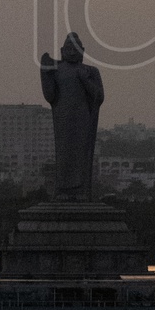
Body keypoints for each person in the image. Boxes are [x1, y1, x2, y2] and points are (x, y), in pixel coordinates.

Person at [39, 32, 104, 200]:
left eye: (75, 48)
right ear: (62, 50)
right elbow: (50, 96)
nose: (72, 52)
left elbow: (98, 97)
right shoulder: (57, 70)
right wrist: (45, 73)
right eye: (68, 48)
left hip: (82, 118)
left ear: (82, 50)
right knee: (64, 154)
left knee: (81, 154)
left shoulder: (90, 71)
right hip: (63, 117)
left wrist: (85, 80)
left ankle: (81, 190)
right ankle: (63, 191)